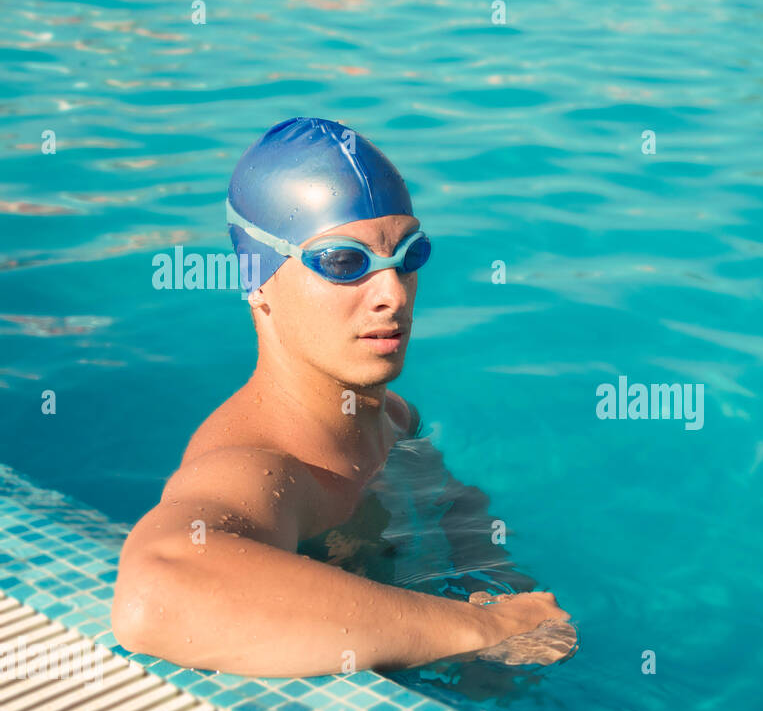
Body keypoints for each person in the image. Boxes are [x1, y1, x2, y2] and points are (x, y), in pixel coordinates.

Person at [111, 117, 574, 678]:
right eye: (343, 262)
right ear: (258, 281)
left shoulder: (394, 417)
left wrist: (495, 586)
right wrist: (482, 630)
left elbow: (452, 506)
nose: (392, 294)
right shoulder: (256, 465)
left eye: (409, 256)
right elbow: (156, 592)